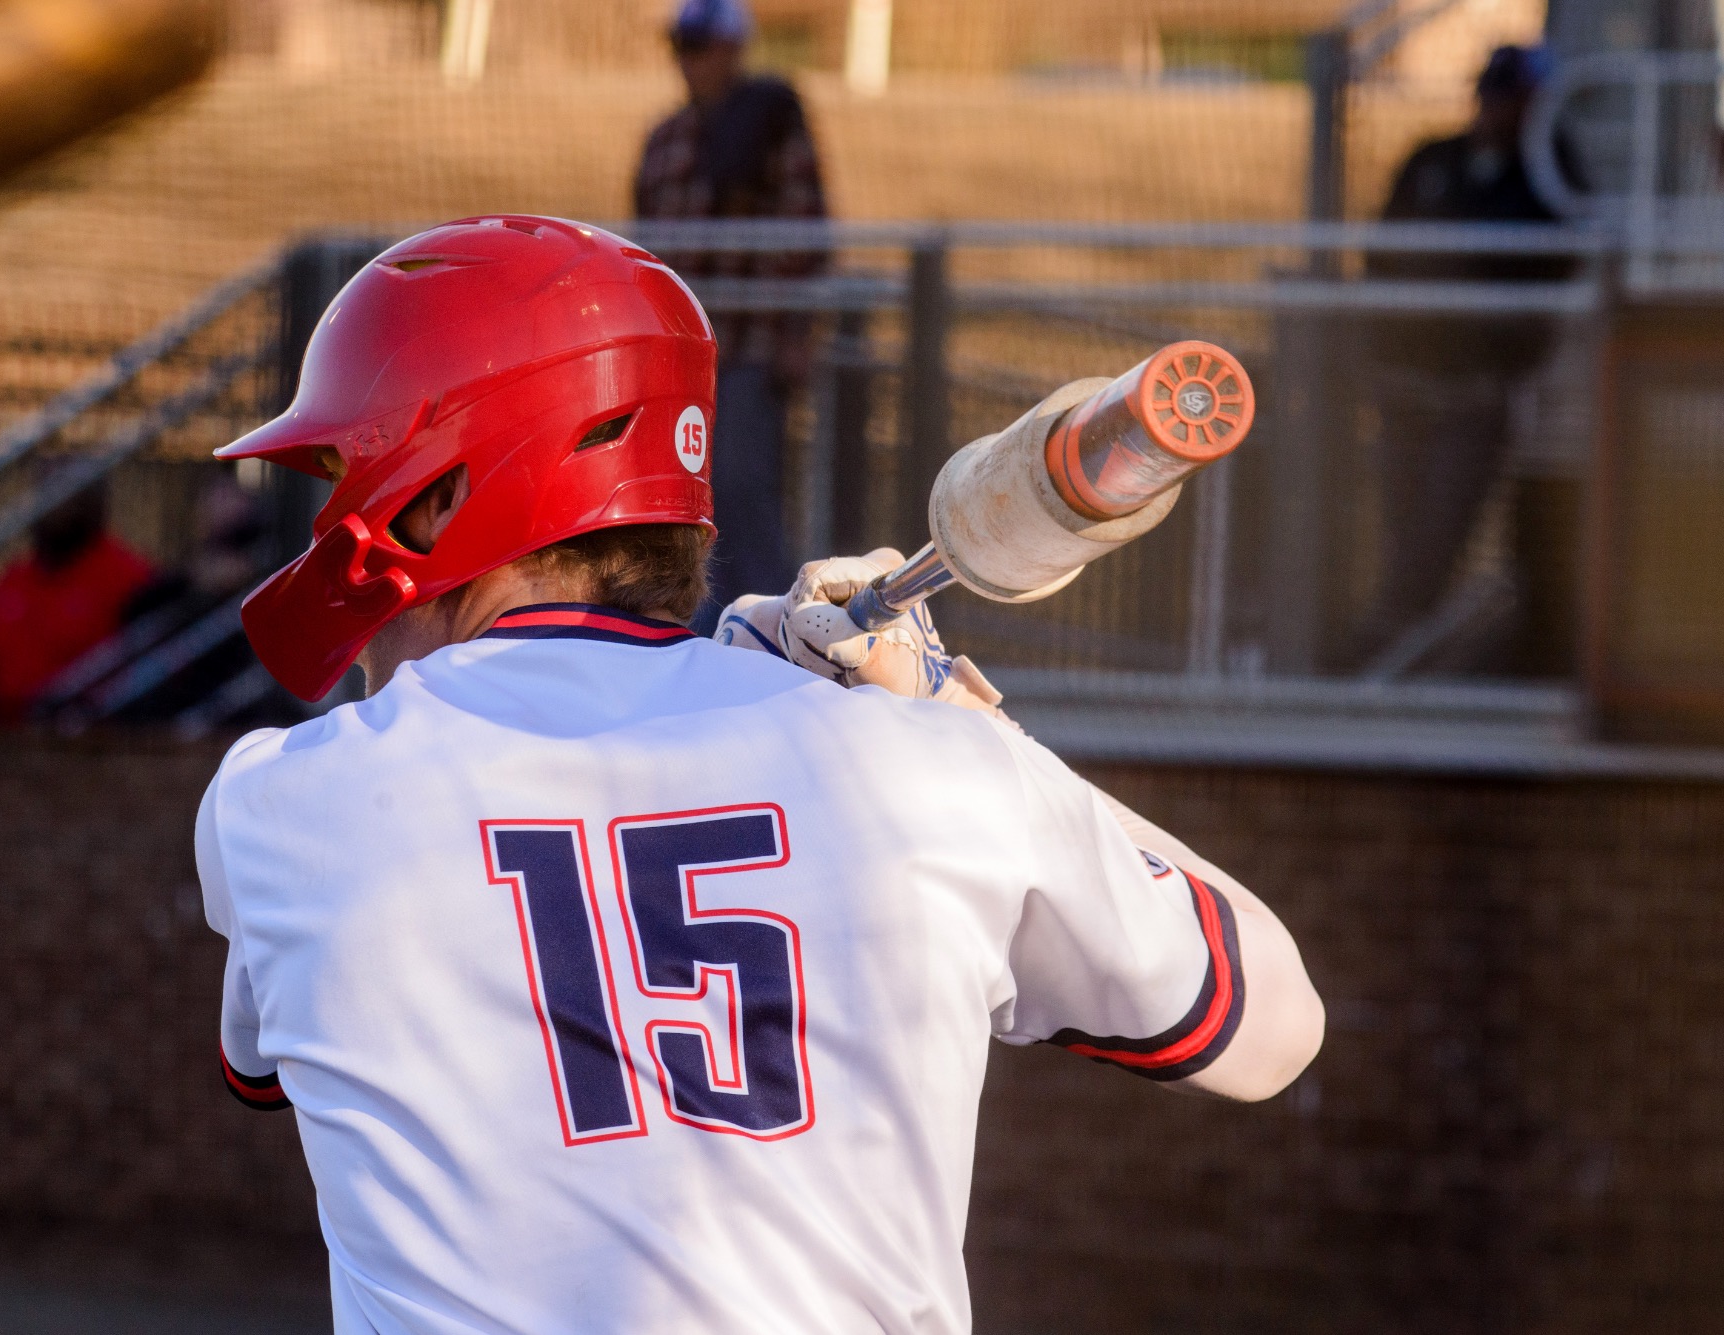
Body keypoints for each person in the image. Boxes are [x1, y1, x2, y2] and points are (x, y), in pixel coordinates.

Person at [196, 217, 1323, 1335]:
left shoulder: (274, 808)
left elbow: (275, 1063)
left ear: (439, 496)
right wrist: (947, 715)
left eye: (351, 467)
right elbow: (1271, 1027)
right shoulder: (927, 773)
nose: (335, 504)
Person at [1361, 44, 1577, 660]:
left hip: (1479, 391)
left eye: (1512, 98)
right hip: (1409, 380)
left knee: (1441, 526)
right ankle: (1396, 645)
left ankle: (1402, 643)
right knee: (1402, 521)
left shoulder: (1550, 171)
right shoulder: (1435, 160)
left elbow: (1556, 265)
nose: (1497, 108)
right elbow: (1384, 251)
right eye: (1491, 93)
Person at [634, 0, 828, 627]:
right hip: (673, 367)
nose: (689, 63)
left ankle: (776, 643)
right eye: (682, 46)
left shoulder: (772, 127)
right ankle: (685, 644)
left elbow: (806, 241)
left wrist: (793, 336)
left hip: (745, 356)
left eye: (701, 46)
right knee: (679, 511)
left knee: (744, 504)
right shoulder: (664, 142)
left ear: (734, 50)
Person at [0, 479, 154, 719]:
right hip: (3, 733)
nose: (55, 503)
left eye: (65, 487)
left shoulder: (127, 577)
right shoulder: (12, 579)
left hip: (87, 736)